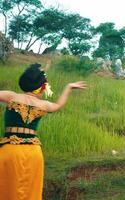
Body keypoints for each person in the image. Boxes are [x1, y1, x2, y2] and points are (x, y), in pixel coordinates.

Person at [0, 63, 86, 200]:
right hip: (34, 153)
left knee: (7, 189)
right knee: (30, 191)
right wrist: (68, 87)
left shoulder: (12, 97)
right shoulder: (43, 105)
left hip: (10, 151)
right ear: (40, 87)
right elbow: (58, 105)